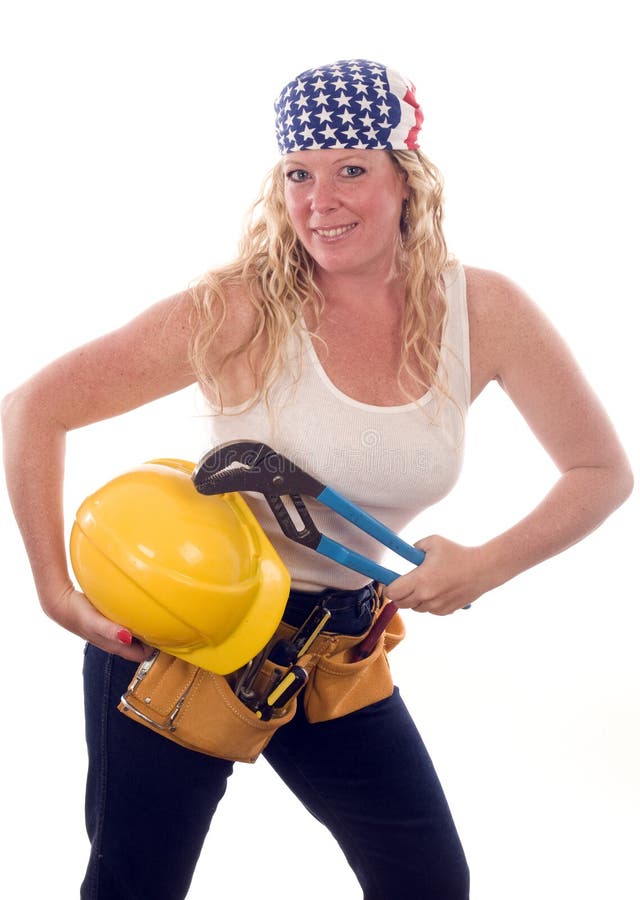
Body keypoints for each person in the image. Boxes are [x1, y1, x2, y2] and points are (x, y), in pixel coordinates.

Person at [1, 58, 633, 900]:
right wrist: (53, 589)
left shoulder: (485, 312)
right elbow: (32, 409)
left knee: (427, 881)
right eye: (299, 173)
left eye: (350, 170)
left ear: (406, 177)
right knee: (133, 885)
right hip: (183, 636)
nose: (319, 200)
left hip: (336, 649)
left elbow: (600, 471)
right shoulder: (238, 308)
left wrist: (487, 562)